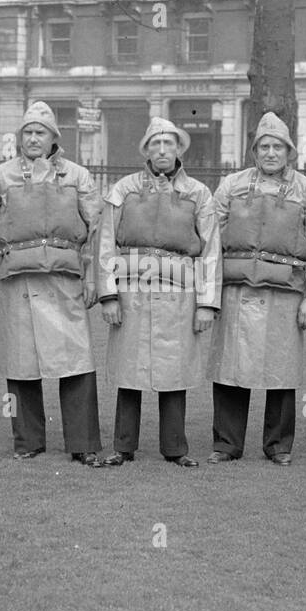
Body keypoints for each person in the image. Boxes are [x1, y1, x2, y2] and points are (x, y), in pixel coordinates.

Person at [0, 101, 105, 466]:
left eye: (40, 132)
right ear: (18, 138)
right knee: (20, 362)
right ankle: (27, 439)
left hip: (65, 281)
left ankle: (83, 441)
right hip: (18, 282)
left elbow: (96, 232)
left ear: (53, 138)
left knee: (77, 361)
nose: (32, 138)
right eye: (27, 132)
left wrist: (94, 278)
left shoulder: (77, 176)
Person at [207, 112, 306, 467]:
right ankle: (227, 443)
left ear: (289, 151)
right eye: (264, 146)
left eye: (278, 146)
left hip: (285, 292)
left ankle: (278, 445)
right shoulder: (232, 185)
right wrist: (209, 294)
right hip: (237, 289)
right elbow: (211, 238)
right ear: (254, 150)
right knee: (230, 366)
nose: (271, 153)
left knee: (281, 369)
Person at [98, 117, 220, 467]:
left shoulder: (198, 193)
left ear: (179, 149)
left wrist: (206, 304)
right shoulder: (123, 190)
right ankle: (123, 447)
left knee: (174, 371)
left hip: (178, 296)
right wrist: (108, 295)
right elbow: (106, 243)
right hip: (131, 293)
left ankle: (175, 449)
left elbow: (211, 250)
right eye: (155, 144)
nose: (162, 150)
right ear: (146, 150)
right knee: (128, 372)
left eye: (169, 144)